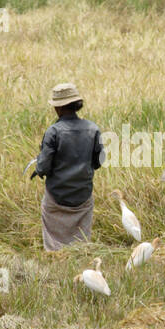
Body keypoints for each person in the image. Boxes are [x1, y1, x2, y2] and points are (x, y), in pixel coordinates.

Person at [30, 82, 105, 250]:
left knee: (50, 223)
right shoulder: (93, 129)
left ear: (58, 108)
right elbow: (99, 161)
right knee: (81, 238)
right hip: (83, 194)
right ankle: (79, 255)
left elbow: (43, 166)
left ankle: (55, 255)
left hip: (57, 195)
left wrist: (39, 168)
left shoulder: (54, 132)